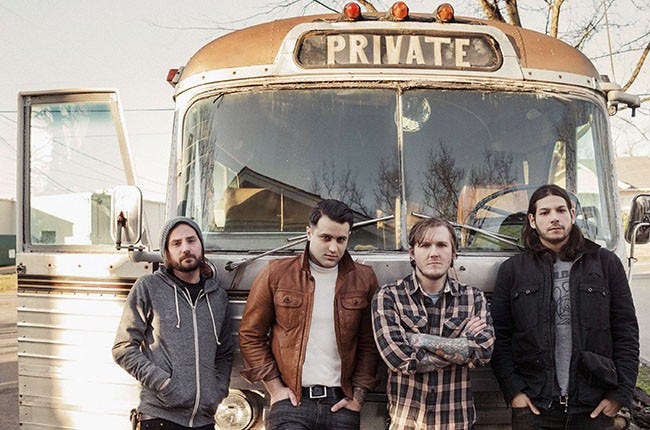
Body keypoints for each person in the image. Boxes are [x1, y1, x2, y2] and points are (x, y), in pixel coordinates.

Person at [491, 184, 639, 429]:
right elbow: (500, 336)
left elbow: (626, 332)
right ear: (532, 220)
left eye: (561, 210)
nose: (554, 218)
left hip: (594, 406)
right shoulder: (513, 270)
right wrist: (514, 391)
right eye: (545, 212)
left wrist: (620, 394)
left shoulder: (606, 263)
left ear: (572, 214)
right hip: (535, 407)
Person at [238, 199, 380, 430]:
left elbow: (370, 343)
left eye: (341, 240)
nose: (333, 248)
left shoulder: (364, 279)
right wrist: (275, 389)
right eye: (326, 238)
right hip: (292, 402)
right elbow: (250, 334)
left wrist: (358, 398)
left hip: (341, 405)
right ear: (309, 233)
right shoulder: (277, 273)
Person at [372, 217, 495, 429]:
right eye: (425, 245)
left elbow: (483, 353)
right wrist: (461, 346)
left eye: (442, 245)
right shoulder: (389, 296)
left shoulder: (473, 297)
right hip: (407, 424)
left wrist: (420, 339)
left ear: (454, 253)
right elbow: (399, 359)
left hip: (457, 422)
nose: (434, 253)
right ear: (412, 253)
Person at [112, 217, 233, 430]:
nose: (186, 248)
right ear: (166, 253)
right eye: (176, 243)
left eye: (191, 240)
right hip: (159, 417)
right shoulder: (149, 287)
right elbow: (123, 348)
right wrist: (163, 384)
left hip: (204, 421)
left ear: (201, 246)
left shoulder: (218, 297)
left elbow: (224, 354)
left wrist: (218, 391)